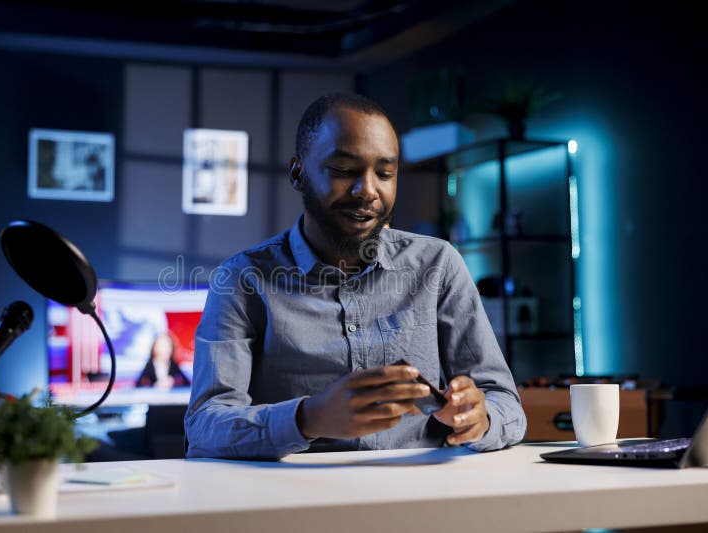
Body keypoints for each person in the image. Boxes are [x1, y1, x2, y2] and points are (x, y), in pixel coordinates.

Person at [184, 93, 526, 459]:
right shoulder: (243, 279)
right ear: (298, 173)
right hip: (295, 502)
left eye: (385, 173)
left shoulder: (438, 264)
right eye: (344, 171)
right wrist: (308, 418)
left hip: (423, 500)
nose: (368, 190)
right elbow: (205, 425)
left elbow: (506, 404)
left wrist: (479, 418)